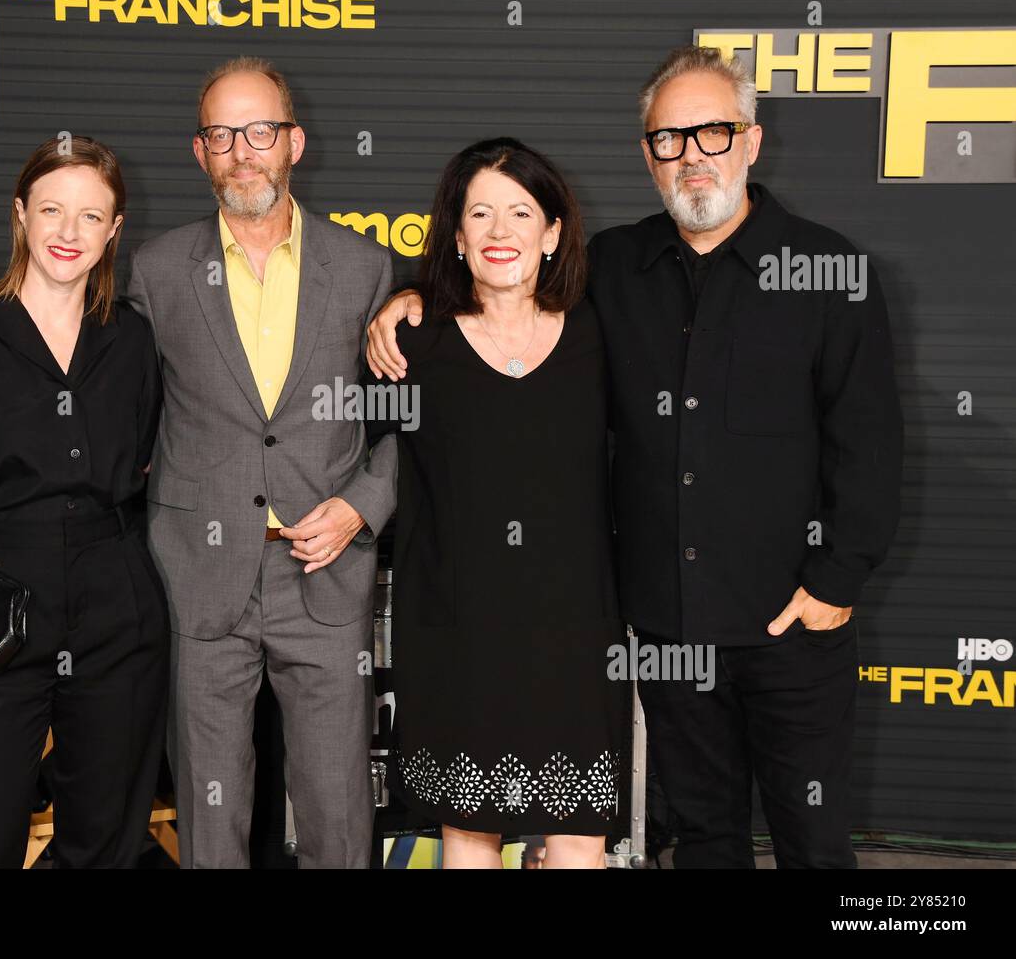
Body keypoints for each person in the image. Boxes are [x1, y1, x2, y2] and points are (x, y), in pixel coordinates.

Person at [366, 46, 904, 869]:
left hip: (790, 622)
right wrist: (409, 294)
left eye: (713, 133)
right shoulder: (611, 269)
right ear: (646, 155)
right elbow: (496, 284)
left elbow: (867, 442)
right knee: (704, 839)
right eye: (669, 139)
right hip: (666, 624)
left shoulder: (827, 273)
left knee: (814, 841)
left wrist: (835, 585)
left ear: (752, 142)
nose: (692, 155)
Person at [124, 57, 397, 868]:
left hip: (325, 572)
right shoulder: (155, 270)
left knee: (337, 811)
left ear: (294, 143)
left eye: (260, 131)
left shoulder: (364, 267)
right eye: (222, 134)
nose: (243, 151)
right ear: (199, 151)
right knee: (211, 813)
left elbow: (416, 422)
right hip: (197, 576)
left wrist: (363, 505)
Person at [0, 135, 169, 868]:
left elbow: (147, 461)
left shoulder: (133, 339)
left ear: (114, 231)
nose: (67, 232)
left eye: (91, 217)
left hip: (117, 593)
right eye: (51, 209)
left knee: (107, 832)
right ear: (20, 214)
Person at [367, 138, 624, 869]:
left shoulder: (600, 335)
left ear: (552, 233)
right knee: (469, 833)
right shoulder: (411, 344)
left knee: (579, 836)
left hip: (573, 637)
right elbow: (355, 460)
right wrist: (404, 300)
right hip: (457, 635)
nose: (500, 231)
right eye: (480, 213)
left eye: (520, 213)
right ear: (455, 234)